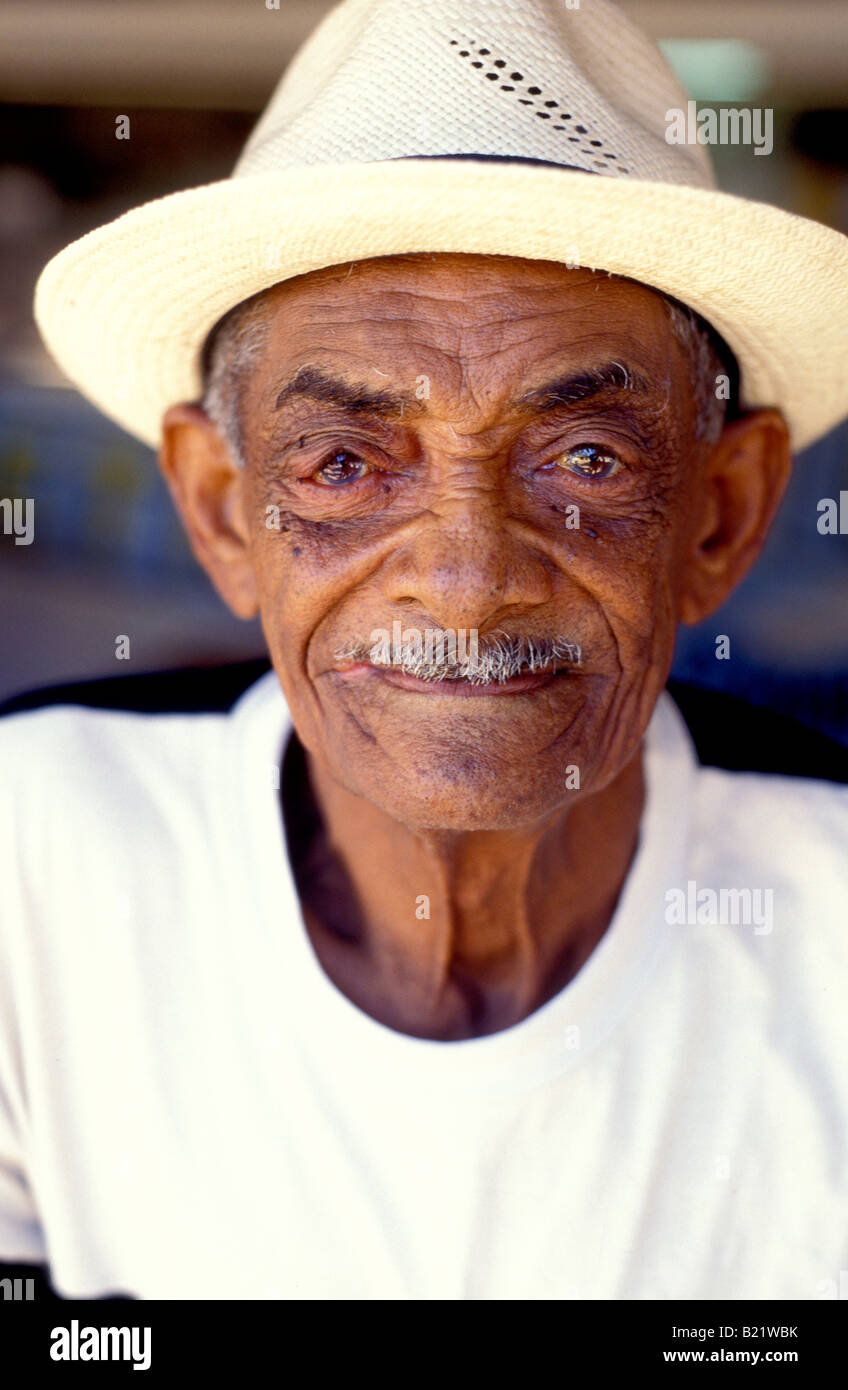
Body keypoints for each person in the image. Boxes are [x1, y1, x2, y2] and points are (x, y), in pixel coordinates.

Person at [2, 0, 848, 1300]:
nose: (466, 580)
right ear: (225, 513)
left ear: (720, 517)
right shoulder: (33, 871)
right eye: (344, 464)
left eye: (585, 458)